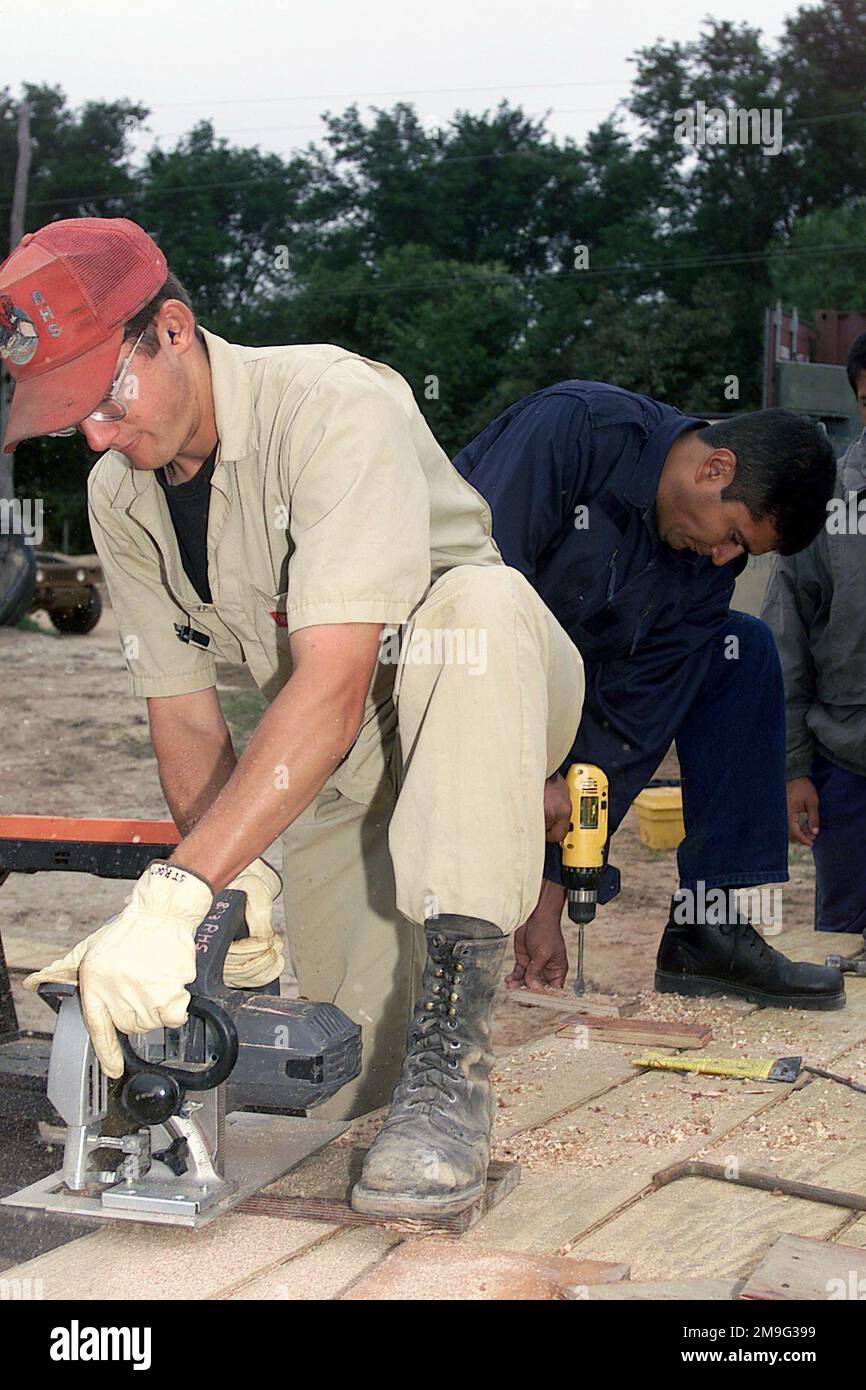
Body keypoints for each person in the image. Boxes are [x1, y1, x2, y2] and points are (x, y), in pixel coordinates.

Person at [1, 217, 583, 1219]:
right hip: (337, 750)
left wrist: (178, 891)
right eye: (70, 415)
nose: (94, 433)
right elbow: (184, 718)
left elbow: (334, 676)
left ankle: (455, 1072)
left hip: (475, 680)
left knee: (475, 609)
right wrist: (231, 881)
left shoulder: (332, 404)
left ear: (172, 330)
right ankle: (402, 1083)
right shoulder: (118, 493)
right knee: (340, 1083)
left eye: (105, 395)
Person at [453, 380, 845, 1009]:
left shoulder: (702, 570)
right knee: (487, 607)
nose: (724, 560)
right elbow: (476, 593)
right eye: (736, 537)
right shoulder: (575, 429)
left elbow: (629, 723)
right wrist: (529, 768)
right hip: (440, 662)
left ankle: (706, 928)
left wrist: (555, 890)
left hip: (559, 681)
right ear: (715, 468)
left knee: (739, 653)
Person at [762, 332, 866, 935]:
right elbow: (787, 645)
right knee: (847, 956)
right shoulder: (826, 506)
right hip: (847, 769)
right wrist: (794, 768)